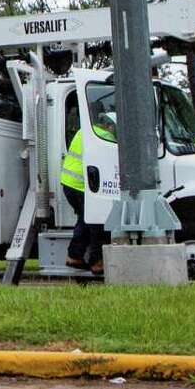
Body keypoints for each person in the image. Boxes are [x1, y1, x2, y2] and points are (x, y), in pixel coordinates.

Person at [61, 110, 114, 275]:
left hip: (69, 184)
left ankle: (75, 256)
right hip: (82, 186)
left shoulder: (82, 131)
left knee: (85, 220)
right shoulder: (105, 136)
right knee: (96, 223)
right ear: (110, 125)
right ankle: (96, 262)